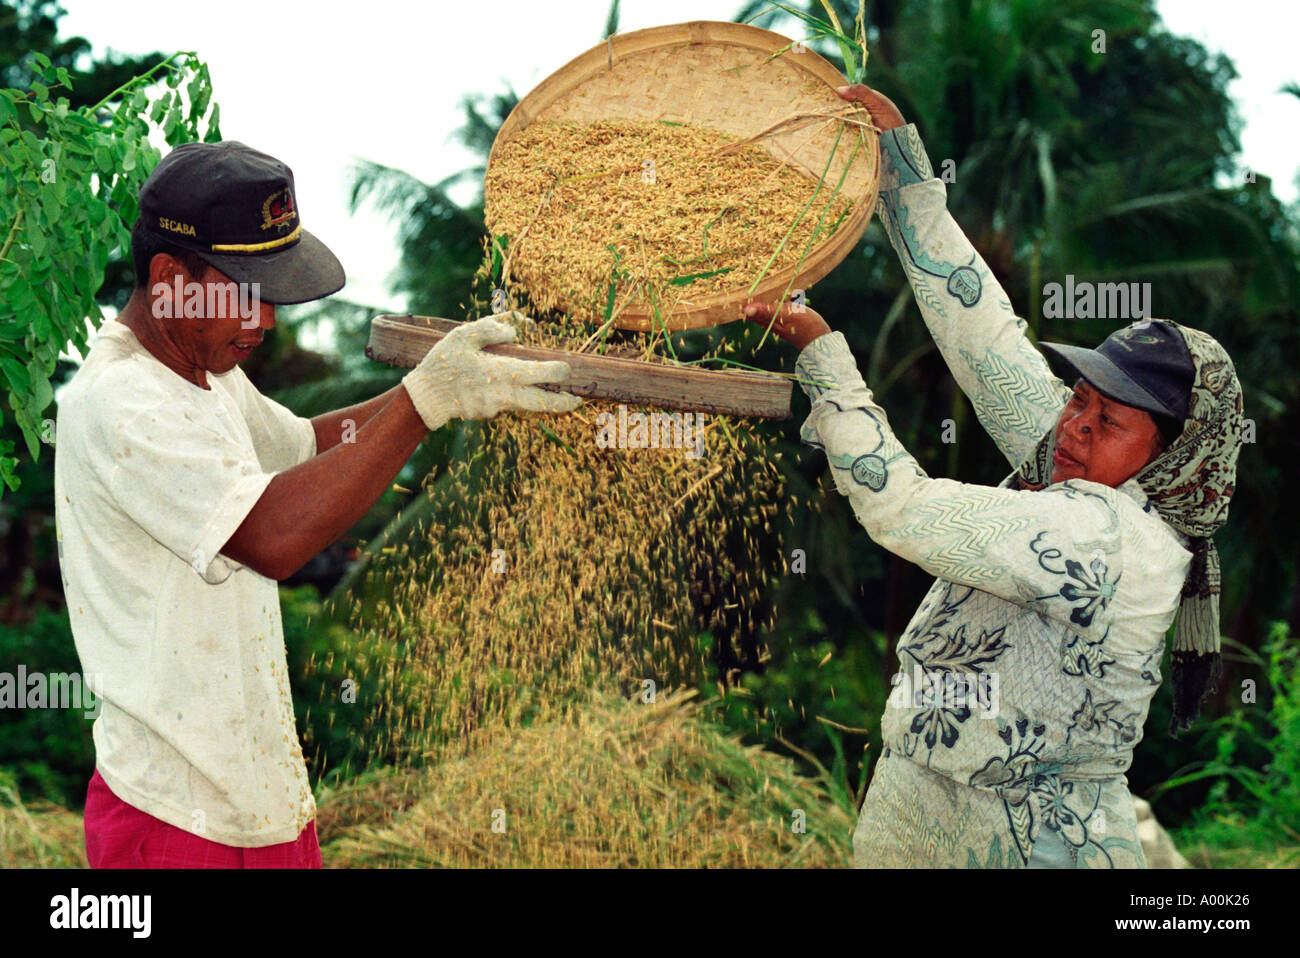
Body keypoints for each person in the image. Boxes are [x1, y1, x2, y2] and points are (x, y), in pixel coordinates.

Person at [745, 85, 1243, 868]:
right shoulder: (1078, 461)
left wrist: (822, 356)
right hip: (927, 804)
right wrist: (902, 177)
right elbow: (985, 339)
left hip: (1024, 838)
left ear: (1173, 457)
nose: (1076, 425)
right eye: (1080, 398)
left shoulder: (1110, 538)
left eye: (1109, 422)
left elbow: (902, 510)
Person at [54, 141, 579, 868]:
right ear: (172, 278)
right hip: (174, 819)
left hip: (261, 803)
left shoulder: (205, 372)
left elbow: (310, 448)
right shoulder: (121, 399)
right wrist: (423, 403)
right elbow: (271, 536)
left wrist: (450, 394)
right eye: (247, 291)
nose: (265, 320)